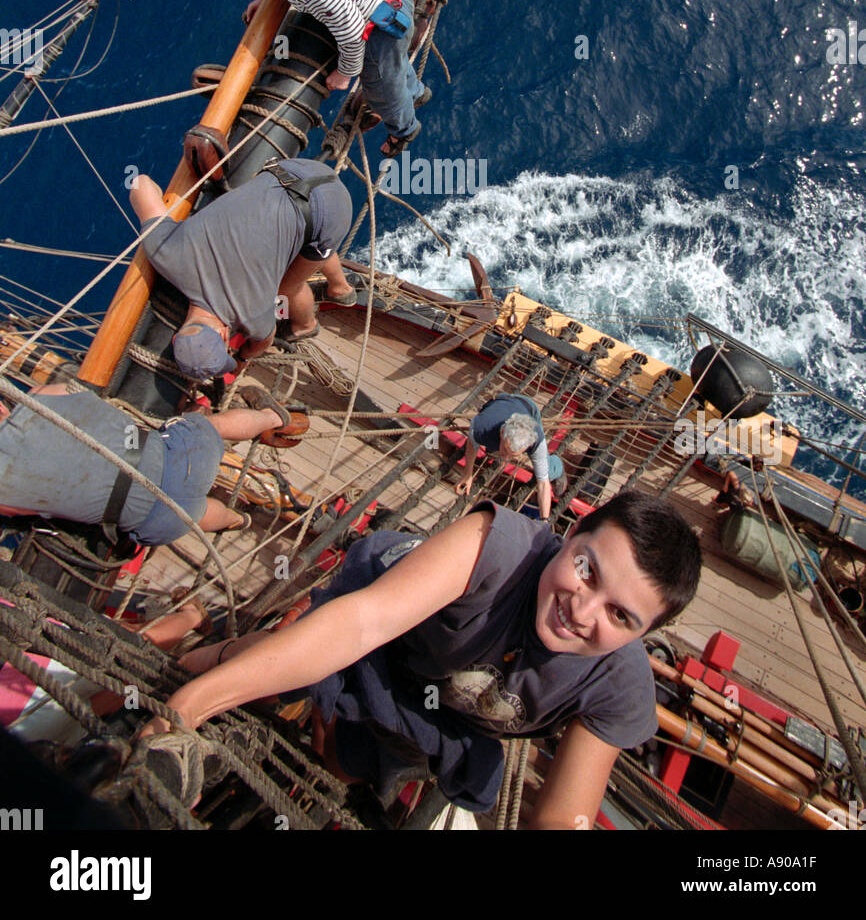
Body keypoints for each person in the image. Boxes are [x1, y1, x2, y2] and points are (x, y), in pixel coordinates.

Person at [141, 490, 702, 827]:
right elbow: (364, 623)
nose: (583, 611)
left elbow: (562, 815)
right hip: (384, 630)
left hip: (439, 712)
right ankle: (191, 665)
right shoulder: (496, 548)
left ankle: (314, 751)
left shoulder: (620, 688)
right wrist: (185, 712)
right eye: (587, 569)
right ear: (572, 533)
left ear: (642, 636)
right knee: (260, 667)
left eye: (620, 616)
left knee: (349, 764)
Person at [198, 0, 429, 159]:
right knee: (392, 69)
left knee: (381, 87)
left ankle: (405, 128)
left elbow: (351, 25)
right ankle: (416, 92)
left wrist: (345, 72)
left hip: (380, 27)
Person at [0, 383, 302, 545]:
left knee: (191, 513)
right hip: (180, 456)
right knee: (211, 426)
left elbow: (25, 512)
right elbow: (93, 403)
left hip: (158, 522)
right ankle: (274, 419)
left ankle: (238, 521)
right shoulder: (46, 396)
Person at [129, 155, 354, 372]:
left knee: (287, 290)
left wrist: (243, 358)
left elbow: (263, 342)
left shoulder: (255, 319)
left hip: (333, 209)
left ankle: (306, 326)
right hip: (290, 170)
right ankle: (340, 288)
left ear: (226, 337)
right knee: (301, 241)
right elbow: (140, 184)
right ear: (178, 336)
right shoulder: (165, 253)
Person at [455, 393, 566, 520]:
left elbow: (543, 484)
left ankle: (558, 465)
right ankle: (496, 447)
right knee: (490, 446)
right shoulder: (482, 425)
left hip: (528, 408)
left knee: (547, 472)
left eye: (513, 455)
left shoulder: (536, 439)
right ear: (502, 432)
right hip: (502, 402)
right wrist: (467, 474)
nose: (506, 456)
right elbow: (472, 444)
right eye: (506, 449)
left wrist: (544, 520)